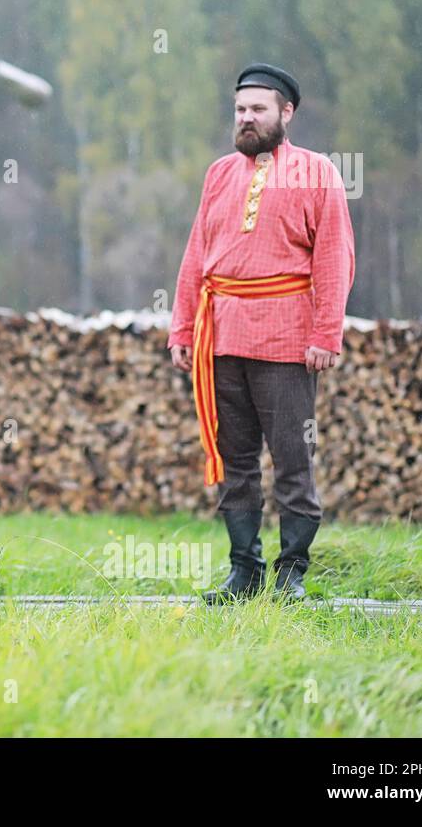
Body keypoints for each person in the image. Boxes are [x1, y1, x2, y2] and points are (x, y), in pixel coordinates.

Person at [167, 64, 355, 604]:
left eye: (258, 109)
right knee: (236, 463)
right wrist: (183, 326)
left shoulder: (317, 172)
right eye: (240, 110)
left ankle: (291, 575)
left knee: (293, 461)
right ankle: (243, 574)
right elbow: (197, 255)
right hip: (221, 338)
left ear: (286, 113)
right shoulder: (219, 173)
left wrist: (326, 332)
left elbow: (334, 256)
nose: (246, 118)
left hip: (286, 340)